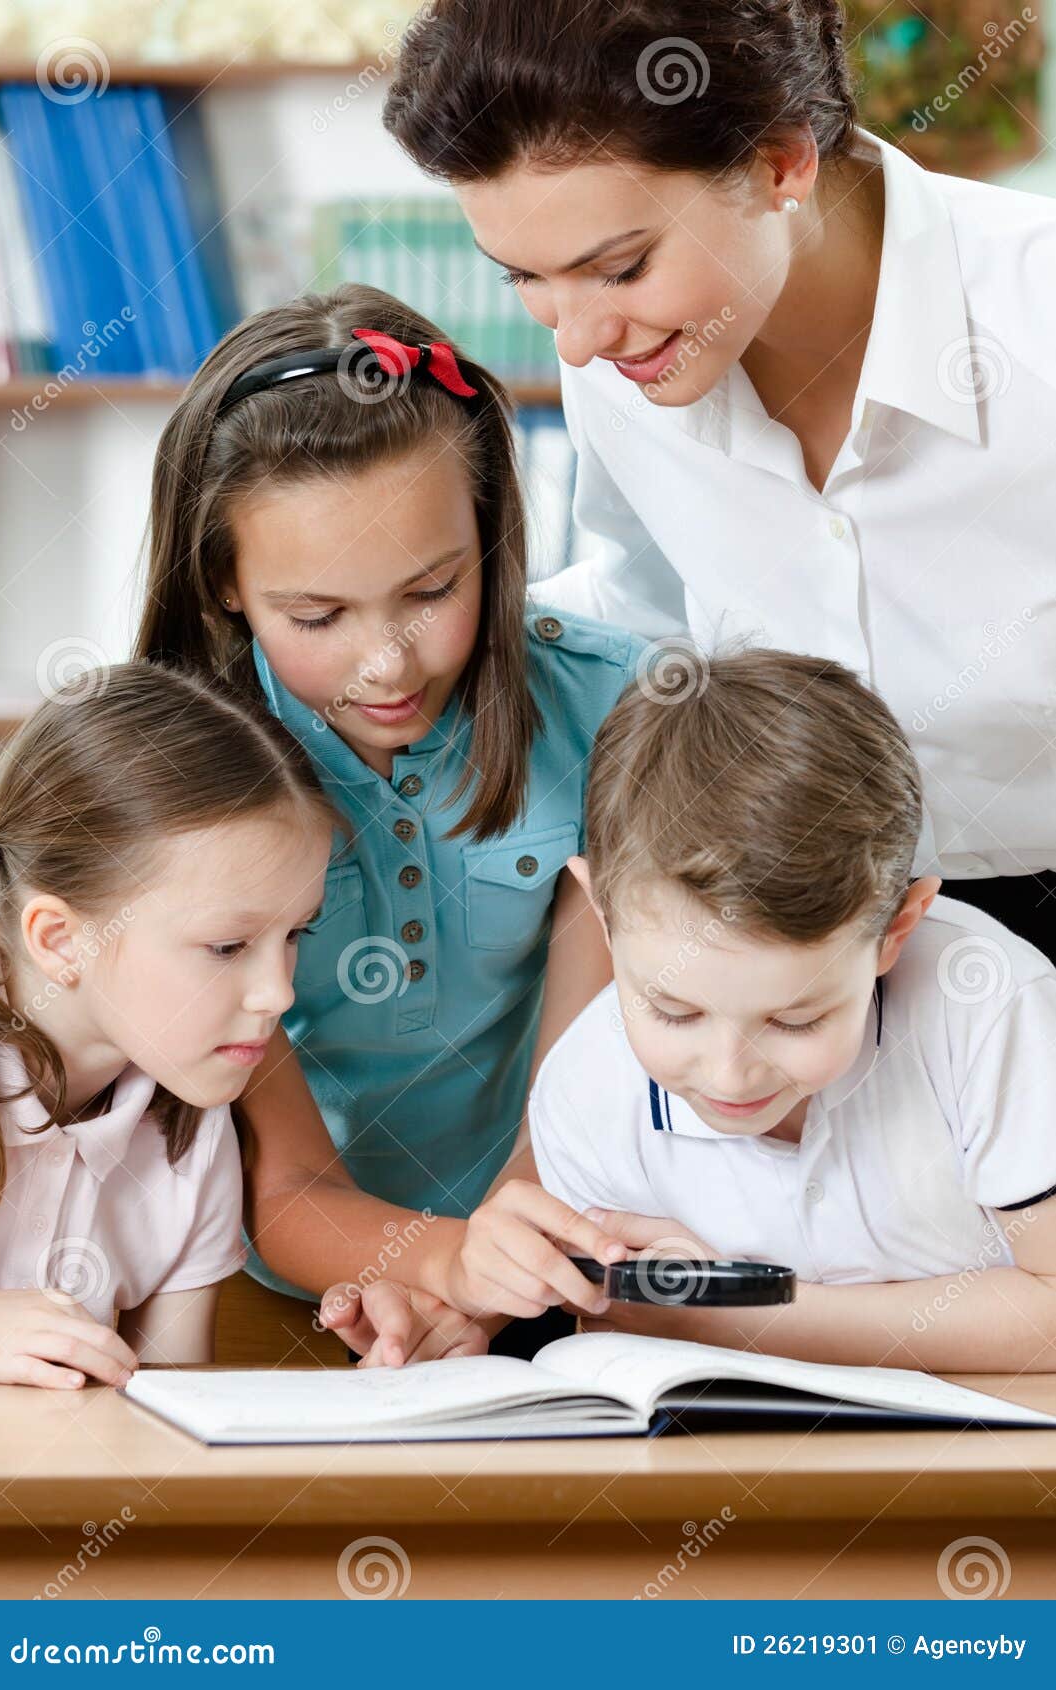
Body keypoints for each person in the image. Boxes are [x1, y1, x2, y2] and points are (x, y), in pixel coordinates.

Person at [384, 0, 1056, 961]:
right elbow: (647, 609)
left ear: (780, 161)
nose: (574, 339)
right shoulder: (621, 365)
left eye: (619, 268)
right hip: (790, 937)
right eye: (520, 278)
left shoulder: (1036, 316)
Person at [134, 282, 639, 1357]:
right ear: (223, 583)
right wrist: (436, 1265)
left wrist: (492, 1268)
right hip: (286, 1288)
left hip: (588, 1257)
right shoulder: (176, 782)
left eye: (431, 589)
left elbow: (594, 1085)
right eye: (316, 616)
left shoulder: (622, 715)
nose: (388, 663)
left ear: (489, 530)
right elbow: (287, 1181)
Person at [527, 647, 1056, 1372]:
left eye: (795, 1020)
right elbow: (616, 1340)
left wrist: (734, 1315)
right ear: (601, 916)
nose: (730, 1075)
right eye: (674, 1011)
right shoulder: (585, 1090)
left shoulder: (985, 1008)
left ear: (894, 931)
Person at [0, 664, 327, 1387]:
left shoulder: (191, 1134)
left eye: (297, 933)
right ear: (58, 940)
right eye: (227, 947)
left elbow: (167, 1430)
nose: (278, 994)